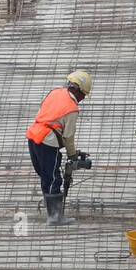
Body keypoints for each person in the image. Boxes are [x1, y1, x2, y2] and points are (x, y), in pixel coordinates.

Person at [26, 70, 92, 227]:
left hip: (33, 135)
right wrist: (72, 154)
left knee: (45, 175)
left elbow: (47, 114)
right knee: (54, 178)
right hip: (48, 141)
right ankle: (55, 216)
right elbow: (68, 136)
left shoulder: (55, 92)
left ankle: (52, 212)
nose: (82, 98)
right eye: (83, 94)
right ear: (77, 89)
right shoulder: (72, 108)